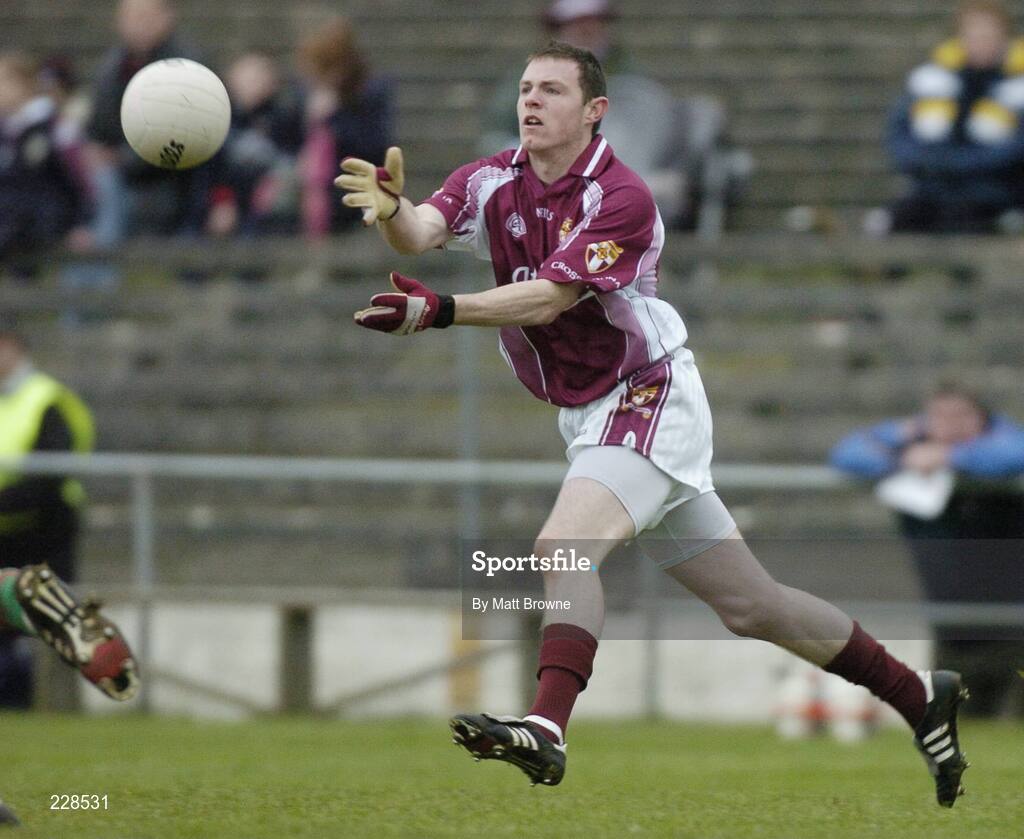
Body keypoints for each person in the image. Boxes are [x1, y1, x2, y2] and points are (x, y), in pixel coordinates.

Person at [336, 42, 971, 807]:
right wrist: (391, 211)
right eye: (525, 88)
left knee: (562, 546)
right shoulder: (489, 177)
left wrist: (440, 311)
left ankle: (547, 725)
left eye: (551, 91)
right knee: (752, 606)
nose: (530, 101)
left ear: (595, 110)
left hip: (648, 395)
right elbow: (421, 232)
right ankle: (918, 696)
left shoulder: (622, 197)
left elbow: (548, 297)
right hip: (590, 414)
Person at [831, 383, 1024, 717]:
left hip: (1015, 623)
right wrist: (903, 438)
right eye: (939, 417)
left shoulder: (999, 450)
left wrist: (951, 456)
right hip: (953, 625)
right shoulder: (912, 451)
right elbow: (847, 455)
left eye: (960, 416)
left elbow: (1013, 453)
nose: (949, 425)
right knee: (963, 728)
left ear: (982, 419)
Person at [0, 324, 138, 707]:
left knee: (33, 642)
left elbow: (51, 472)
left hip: (43, 526)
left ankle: (49, 692)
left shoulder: (46, 399)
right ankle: (23, 600)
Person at [882, 0, 1024, 233]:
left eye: (988, 35)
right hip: (933, 187)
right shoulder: (932, 78)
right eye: (974, 34)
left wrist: (960, 163)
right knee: (896, 221)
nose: (981, 42)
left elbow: (1016, 148)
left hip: (993, 192)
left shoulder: (1018, 84)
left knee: (965, 221)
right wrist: (927, 161)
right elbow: (899, 134)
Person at [85, 0, 213, 241]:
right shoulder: (112, 67)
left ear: (168, 18)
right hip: (123, 171)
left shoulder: (187, 66)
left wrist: (121, 158)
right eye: (130, 16)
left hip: (175, 180)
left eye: (145, 15)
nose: (137, 24)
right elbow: (99, 126)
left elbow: (182, 139)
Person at [296, 17, 392, 239]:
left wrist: (333, 117)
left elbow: (375, 144)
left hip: (352, 184)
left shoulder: (371, 92)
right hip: (313, 186)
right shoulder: (305, 94)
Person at [0, 51, 91, 273]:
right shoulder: (7, 128)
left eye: (2, 81)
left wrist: (80, 222)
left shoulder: (55, 127)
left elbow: (76, 178)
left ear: (23, 84)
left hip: (43, 214)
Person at [207, 51, 305, 239]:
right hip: (225, 200)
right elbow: (213, 171)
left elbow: (291, 159)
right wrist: (223, 201)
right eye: (248, 77)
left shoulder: (284, 118)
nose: (254, 84)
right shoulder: (219, 118)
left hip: (267, 203)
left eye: (260, 76)